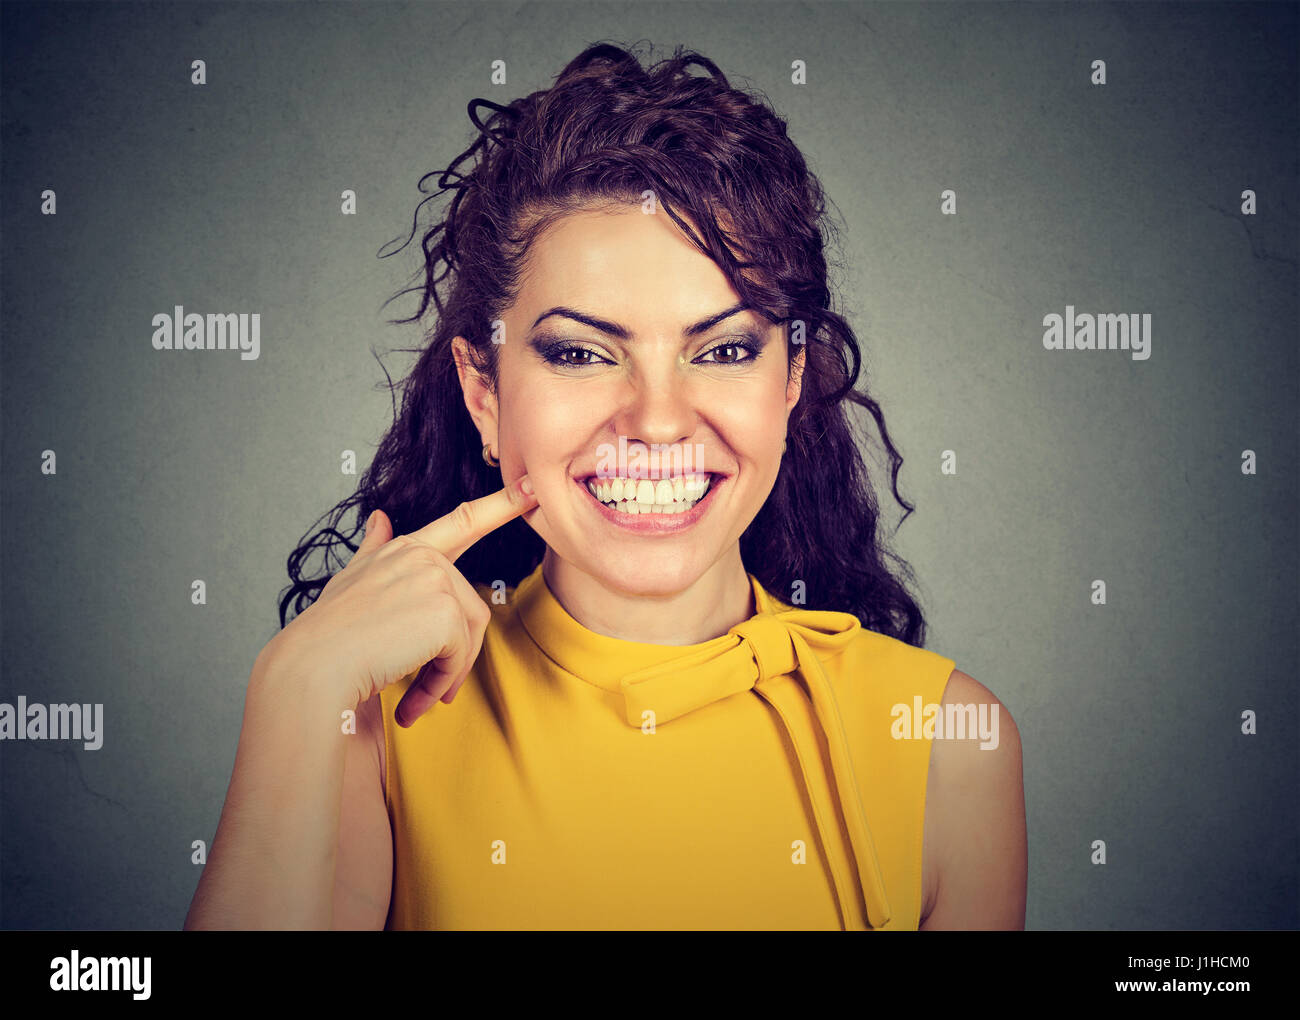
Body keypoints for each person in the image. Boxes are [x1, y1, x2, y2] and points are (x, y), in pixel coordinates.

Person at [184, 41, 1026, 931]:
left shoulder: (947, 745)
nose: (657, 422)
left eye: (725, 350)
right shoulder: (373, 732)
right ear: (485, 392)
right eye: (582, 353)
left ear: (790, 378)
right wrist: (293, 690)